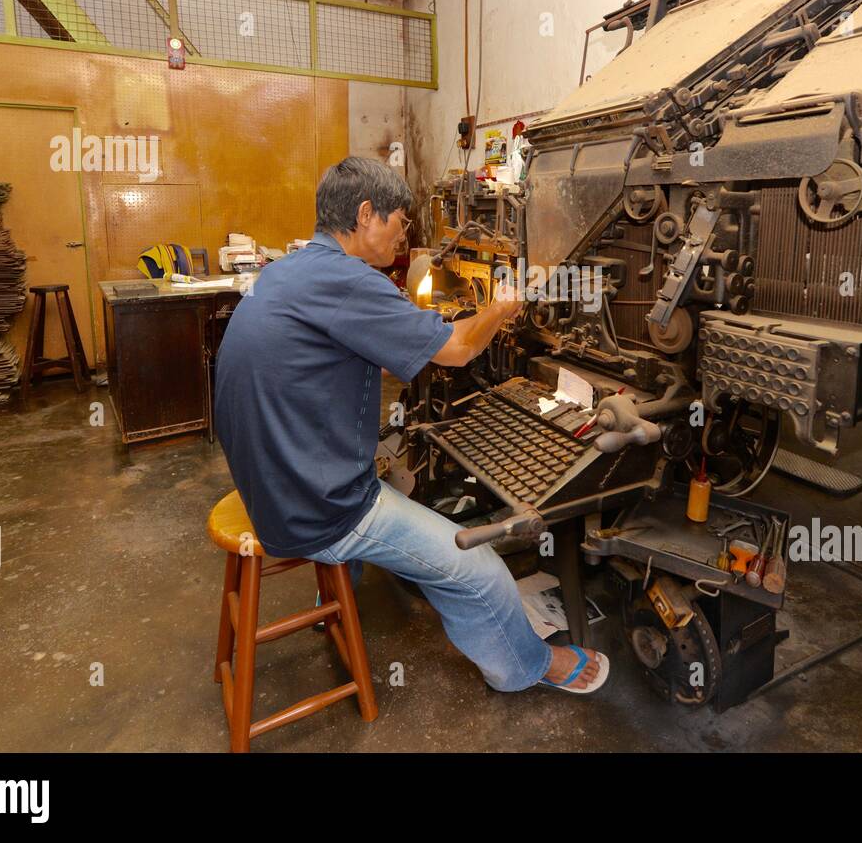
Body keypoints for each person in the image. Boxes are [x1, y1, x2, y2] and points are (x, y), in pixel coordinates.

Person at [213, 156, 607, 695]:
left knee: (397, 480)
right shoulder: (349, 279)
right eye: (400, 222)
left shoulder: (289, 268)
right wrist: (501, 306)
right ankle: (529, 667)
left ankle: (339, 593)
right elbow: (461, 348)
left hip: (267, 484)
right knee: (480, 569)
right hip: (319, 509)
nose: (404, 237)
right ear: (366, 213)